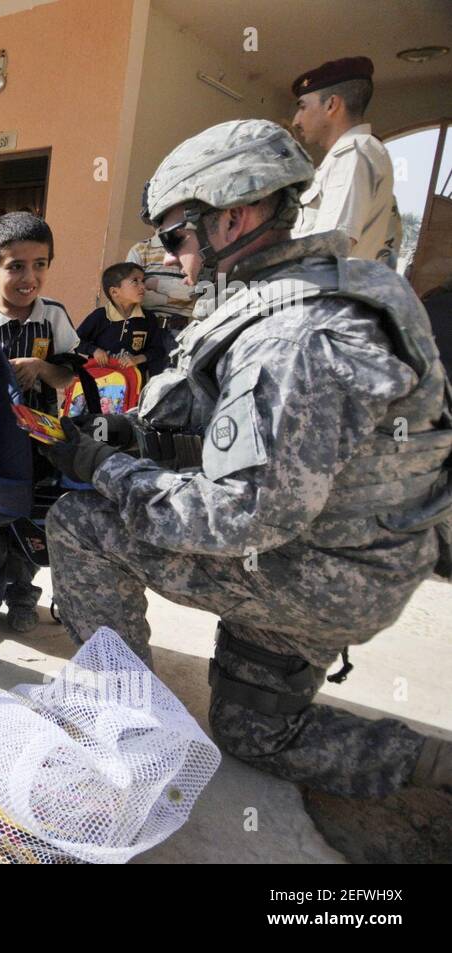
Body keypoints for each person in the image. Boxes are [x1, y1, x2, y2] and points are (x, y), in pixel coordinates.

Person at [43, 119, 452, 804]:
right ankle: (427, 763)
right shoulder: (323, 286)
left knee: (82, 521)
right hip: (352, 553)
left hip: (319, 573)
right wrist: (137, 437)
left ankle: (124, 732)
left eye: (178, 236)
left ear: (234, 217)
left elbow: (241, 516)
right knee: (251, 732)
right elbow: (256, 434)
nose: (171, 258)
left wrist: (103, 469)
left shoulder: (297, 334)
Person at [0, 212, 76, 640]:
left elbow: (69, 374)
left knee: (31, 520)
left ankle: (23, 596)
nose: (30, 277)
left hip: (40, 445)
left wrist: (42, 367)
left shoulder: (54, 317)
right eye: (16, 266)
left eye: (40, 264)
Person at [290, 56, 402, 267]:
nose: (296, 120)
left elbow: (329, 251)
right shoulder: (352, 154)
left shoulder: (353, 153)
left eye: (302, 107)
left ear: (332, 104)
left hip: (322, 294)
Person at [75, 262, 170, 380]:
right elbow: (75, 341)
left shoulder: (148, 319)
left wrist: (138, 359)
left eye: (143, 281)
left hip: (133, 387)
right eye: (135, 281)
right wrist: (94, 350)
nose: (143, 286)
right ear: (114, 292)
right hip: (100, 384)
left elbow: (157, 350)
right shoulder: (100, 316)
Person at [127, 233, 196, 330]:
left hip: (179, 331)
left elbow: (194, 291)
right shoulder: (139, 250)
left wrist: (156, 285)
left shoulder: (194, 250)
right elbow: (131, 294)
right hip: (142, 328)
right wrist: (169, 298)